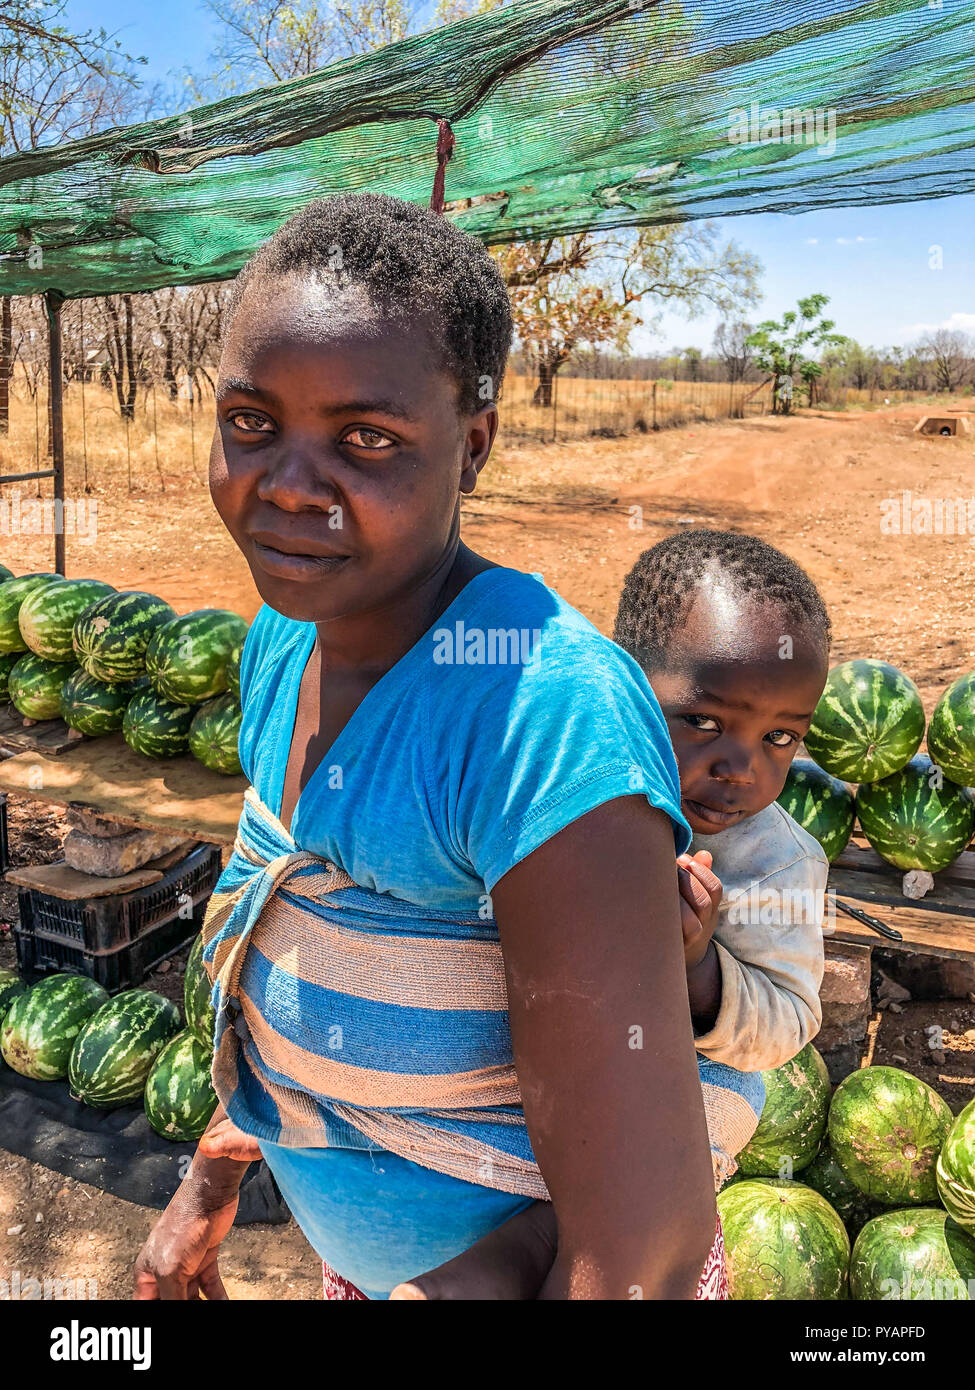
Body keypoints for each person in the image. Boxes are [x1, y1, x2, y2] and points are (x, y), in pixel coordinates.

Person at [133, 191, 719, 1302]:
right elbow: (303, 924)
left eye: (367, 438)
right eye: (253, 421)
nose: (290, 482)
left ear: (475, 445)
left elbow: (638, 1258)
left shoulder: (540, 718)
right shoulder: (281, 639)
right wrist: (208, 1183)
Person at [386, 528, 831, 1299]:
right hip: (504, 1112)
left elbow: (787, 1019)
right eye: (703, 722)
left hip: (647, 1161)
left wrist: (696, 968)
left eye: (779, 738)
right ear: (620, 687)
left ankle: (518, 1258)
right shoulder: (558, 788)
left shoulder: (776, 863)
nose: (741, 767)